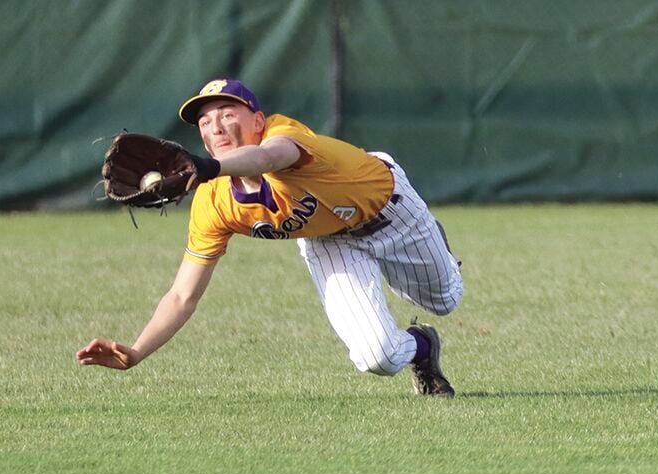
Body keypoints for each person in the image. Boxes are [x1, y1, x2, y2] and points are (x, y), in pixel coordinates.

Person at [77, 79, 464, 397]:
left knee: (445, 299)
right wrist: (137, 351)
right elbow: (182, 296)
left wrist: (209, 167)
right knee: (376, 356)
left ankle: (434, 248)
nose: (216, 126)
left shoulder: (284, 135)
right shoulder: (214, 202)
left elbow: (266, 159)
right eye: (205, 122)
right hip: (329, 240)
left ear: (258, 120)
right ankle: (423, 346)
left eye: (228, 113)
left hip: (388, 208)